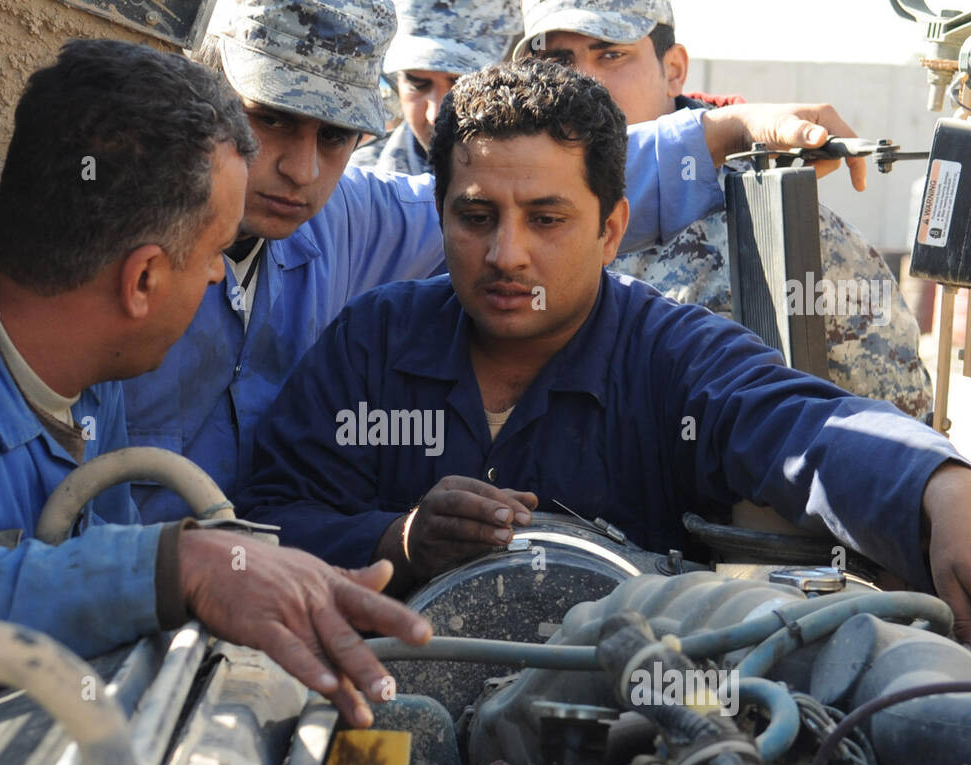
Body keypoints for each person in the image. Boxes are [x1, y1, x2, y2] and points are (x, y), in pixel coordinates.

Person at [239, 61, 971, 661]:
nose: (505, 253)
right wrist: (399, 541)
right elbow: (265, 527)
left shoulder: (671, 357)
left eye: (547, 218)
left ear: (612, 228)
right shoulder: (372, 342)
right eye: (475, 216)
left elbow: (804, 427)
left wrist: (947, 488)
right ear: (439, 211)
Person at [0, 40, 434, 728]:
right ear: (141, 280)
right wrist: (171, 568)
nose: (225, 278)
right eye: (218, 254)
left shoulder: (81, 346)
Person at [120, 0, 873, 524]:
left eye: (336, 134)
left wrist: (725, 131)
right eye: (271, 119)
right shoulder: (92, 239)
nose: (301, 168)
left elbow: (547, 184)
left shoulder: (347, 219)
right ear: (205, 83)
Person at [515, 0, 933, 419]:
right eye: (558, 61)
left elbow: (897, 428)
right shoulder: (501, 225)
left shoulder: (776, 230)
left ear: (673, 69)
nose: (586, 82)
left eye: (611, 54)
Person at [349, 0, 522, 175]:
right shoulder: (356, 185)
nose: (435, 114)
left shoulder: (544, 177)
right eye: (417, 84)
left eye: (464, 86)